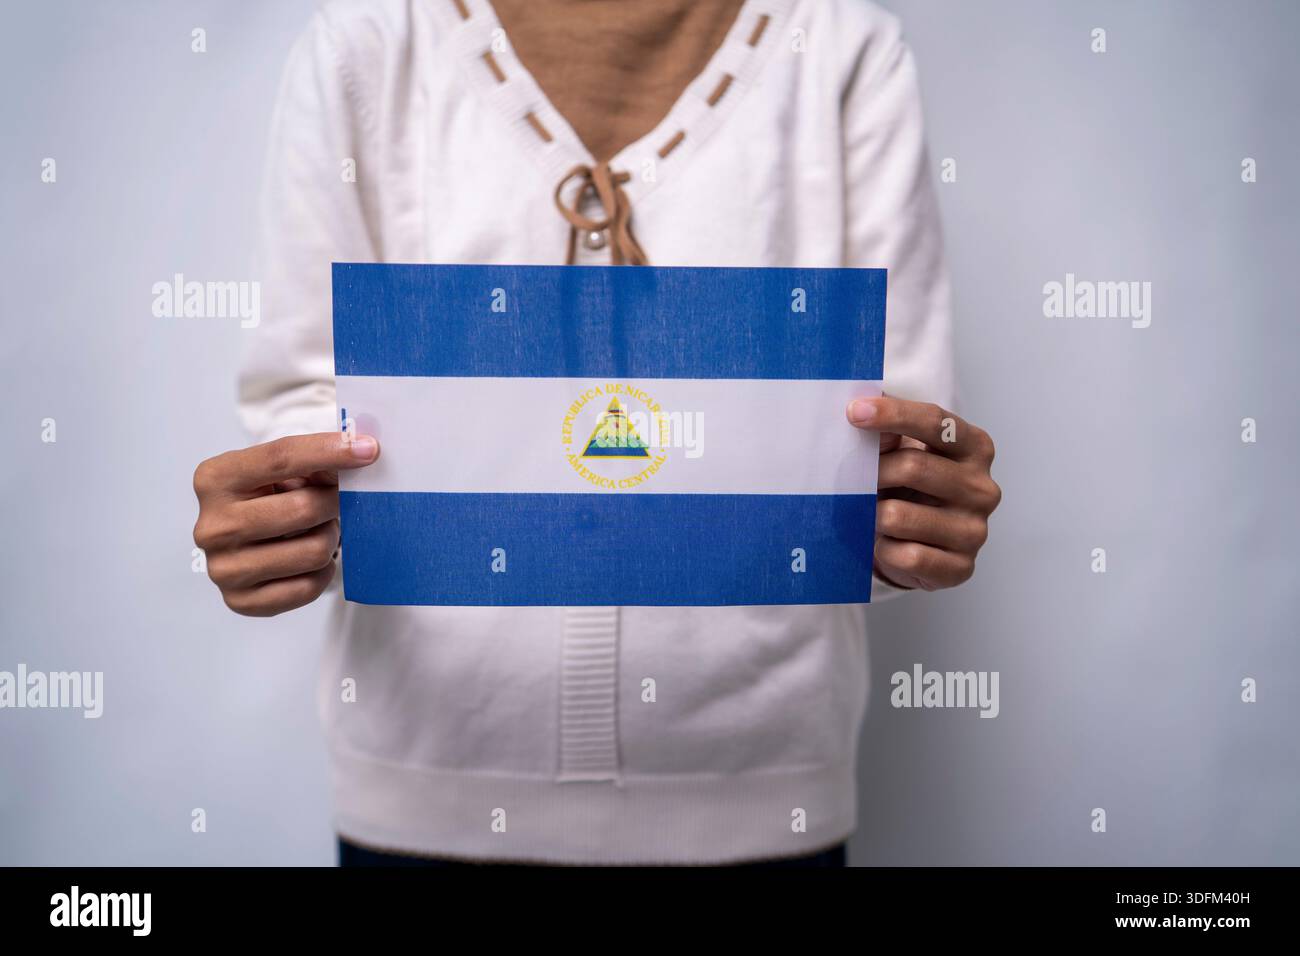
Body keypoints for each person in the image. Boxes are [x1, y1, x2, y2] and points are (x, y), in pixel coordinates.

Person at [191, 0, 1001, 867]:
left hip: (766, 801)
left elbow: (896, 430)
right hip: (422, 797)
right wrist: (281, 525)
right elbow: (306, 405)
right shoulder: (364, 43)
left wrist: (913, 517)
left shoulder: (843, 47)